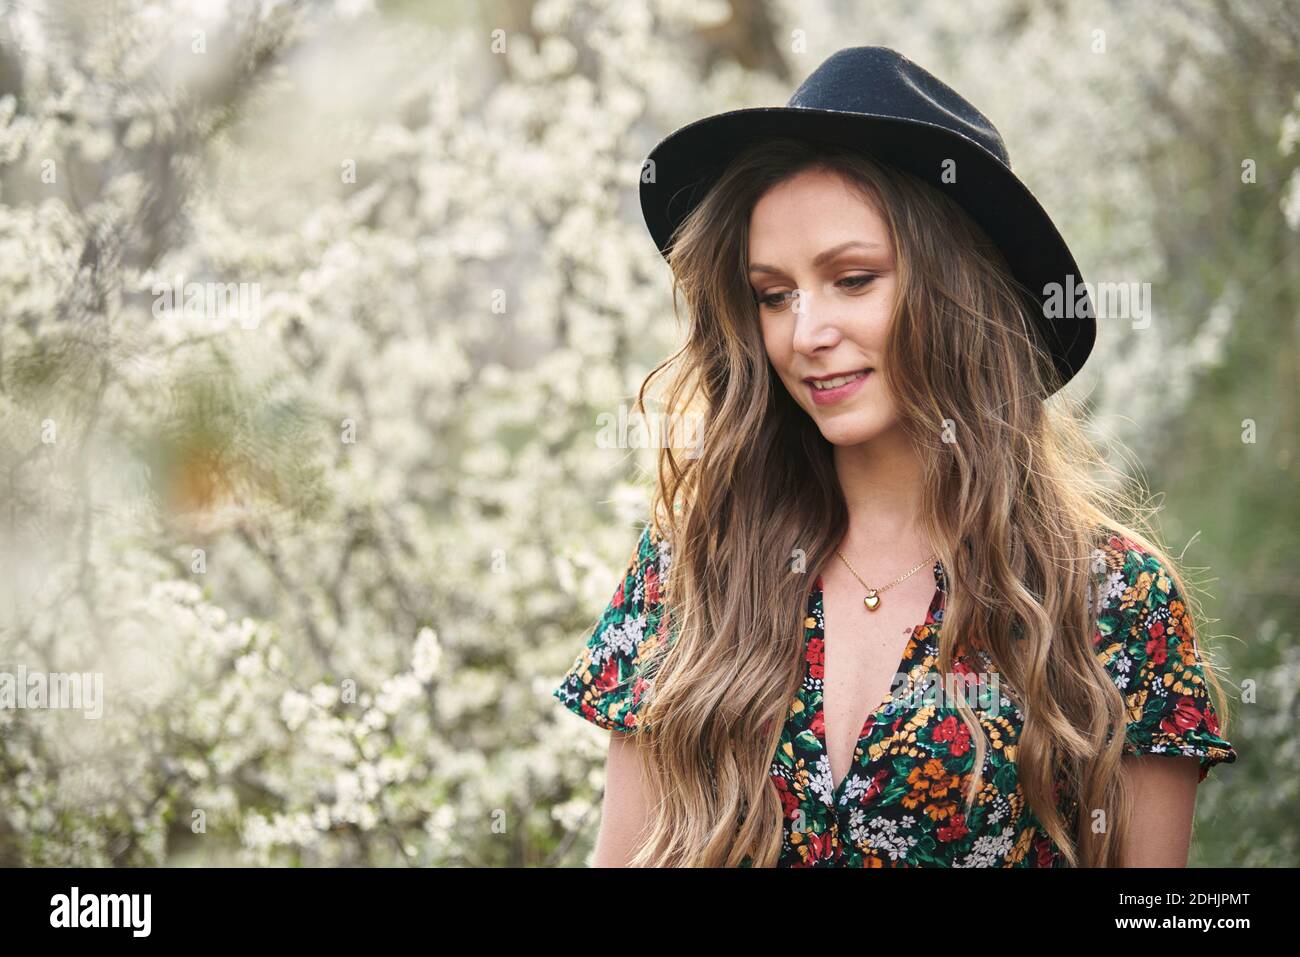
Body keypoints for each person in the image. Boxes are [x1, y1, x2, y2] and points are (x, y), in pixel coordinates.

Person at [551, 47, 1237, 867]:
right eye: (774, 294)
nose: (806, 332)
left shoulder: (1112, 602)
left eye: (853, 278)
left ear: (957, 291)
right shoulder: (690, 570)